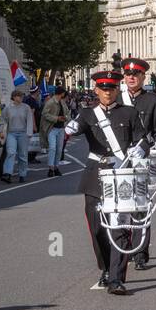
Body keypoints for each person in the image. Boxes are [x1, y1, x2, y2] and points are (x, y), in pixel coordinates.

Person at [63, 70, 147, 295]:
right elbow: (77, 127)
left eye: (111, 88)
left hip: (121, 175)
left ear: (116, 90)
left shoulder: (129, 113)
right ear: (96, 90)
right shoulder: (87, 114)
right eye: (103, 89)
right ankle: (106, 267)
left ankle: (117, 278)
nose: (107, 93)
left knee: (118, 227)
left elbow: (142, 139)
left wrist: (140, 150)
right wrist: (70, 129)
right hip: (95, 176)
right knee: (98, 229)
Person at [119, 58, 156, 270]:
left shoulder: (153, 101)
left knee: (140, 206)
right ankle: (123, 247)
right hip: (119, 160)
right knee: (119, 208)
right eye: (128, 74)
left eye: (136, 74)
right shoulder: (116, 99)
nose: (132, 77)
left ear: (143, 77)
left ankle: (140, 251)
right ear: (124, 76)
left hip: (141, 158)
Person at [0, 89, 32, 183]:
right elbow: (3, 120)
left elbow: (29, 120)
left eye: (21, 96)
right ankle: (7, 174)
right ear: (14, 97)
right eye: (19, 96)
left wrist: (29, 133)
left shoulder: (26, 108)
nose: (21, 98)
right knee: (10, 152)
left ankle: (22, 174)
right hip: (11, 133)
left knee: (23, 155)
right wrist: (1, 131)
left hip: (23, 134)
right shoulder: (8, 108)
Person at [40, 86, 72, 177]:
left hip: (61, 128)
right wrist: (56, 118)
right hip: (52, 128)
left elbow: (67, 113)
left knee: (59, 149)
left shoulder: (62, 102)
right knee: (53, 148)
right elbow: (44, 114)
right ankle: (51, 168)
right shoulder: (50, 102)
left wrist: (66, 118)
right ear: (61, 93)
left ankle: (56, 167)